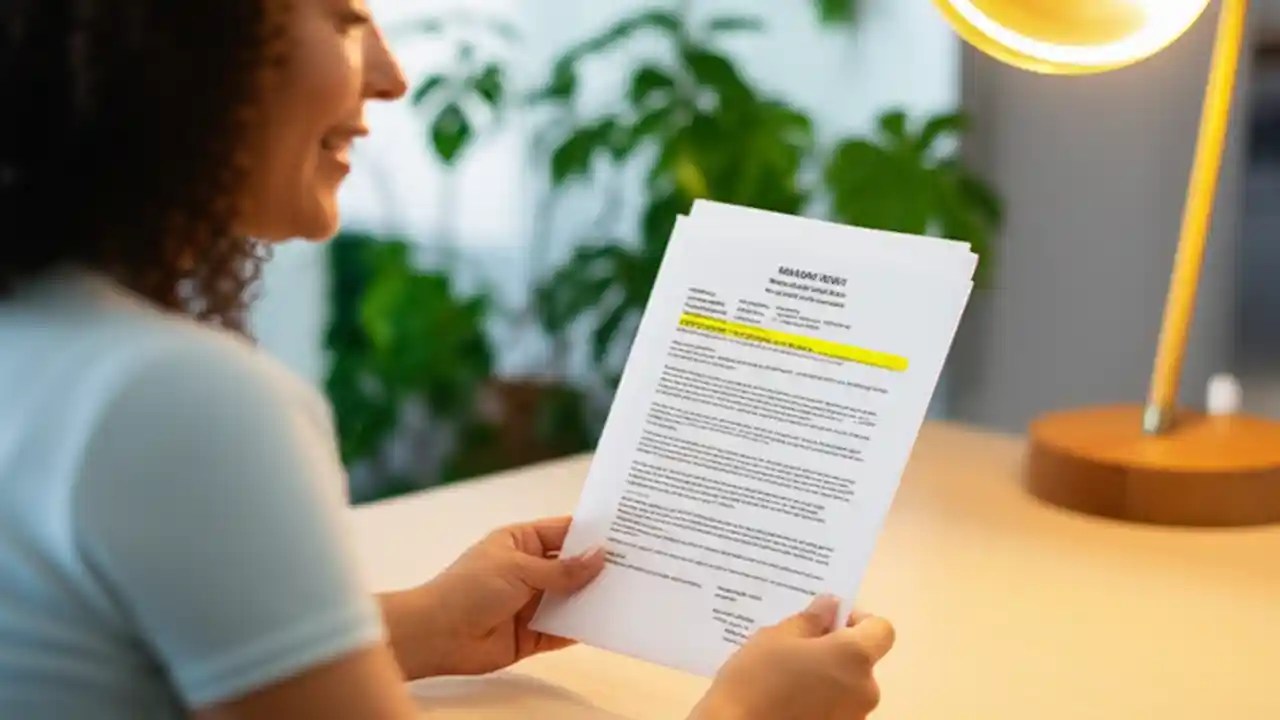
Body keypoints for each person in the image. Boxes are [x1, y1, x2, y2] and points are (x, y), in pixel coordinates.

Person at [0, 1, 896, 718]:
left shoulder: (41, 337)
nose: (390, 77)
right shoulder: (172, 400)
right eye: (345, 21)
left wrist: (419, 625)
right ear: (181, 43)